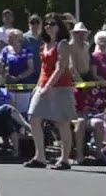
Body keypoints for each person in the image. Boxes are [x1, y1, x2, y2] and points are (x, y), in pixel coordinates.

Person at [23, 13, 76, 170]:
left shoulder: (63, 44)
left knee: (62, 122)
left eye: (52, 24)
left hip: (61, 87)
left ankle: (65, 158)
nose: (48, 27)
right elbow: (43, 69)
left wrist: (48, 86)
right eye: (46, 24)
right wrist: (38, 86)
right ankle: (40, 156)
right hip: (43, 85)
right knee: (33, 117)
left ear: (59, 26)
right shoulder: (43, 45)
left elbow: (60, 68)